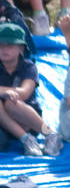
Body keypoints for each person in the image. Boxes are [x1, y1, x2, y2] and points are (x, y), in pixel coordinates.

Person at [0, 21, 54, 155]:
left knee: (10, 103)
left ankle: (50, 134)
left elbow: (24, 93)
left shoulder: (28, 67)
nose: (4, 49)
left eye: (10, 45)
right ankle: (26, 140)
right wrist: (7, 91)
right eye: (1, 45)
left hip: (27, 117)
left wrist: (6, 93)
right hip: (5, 121)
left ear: (21, 49)